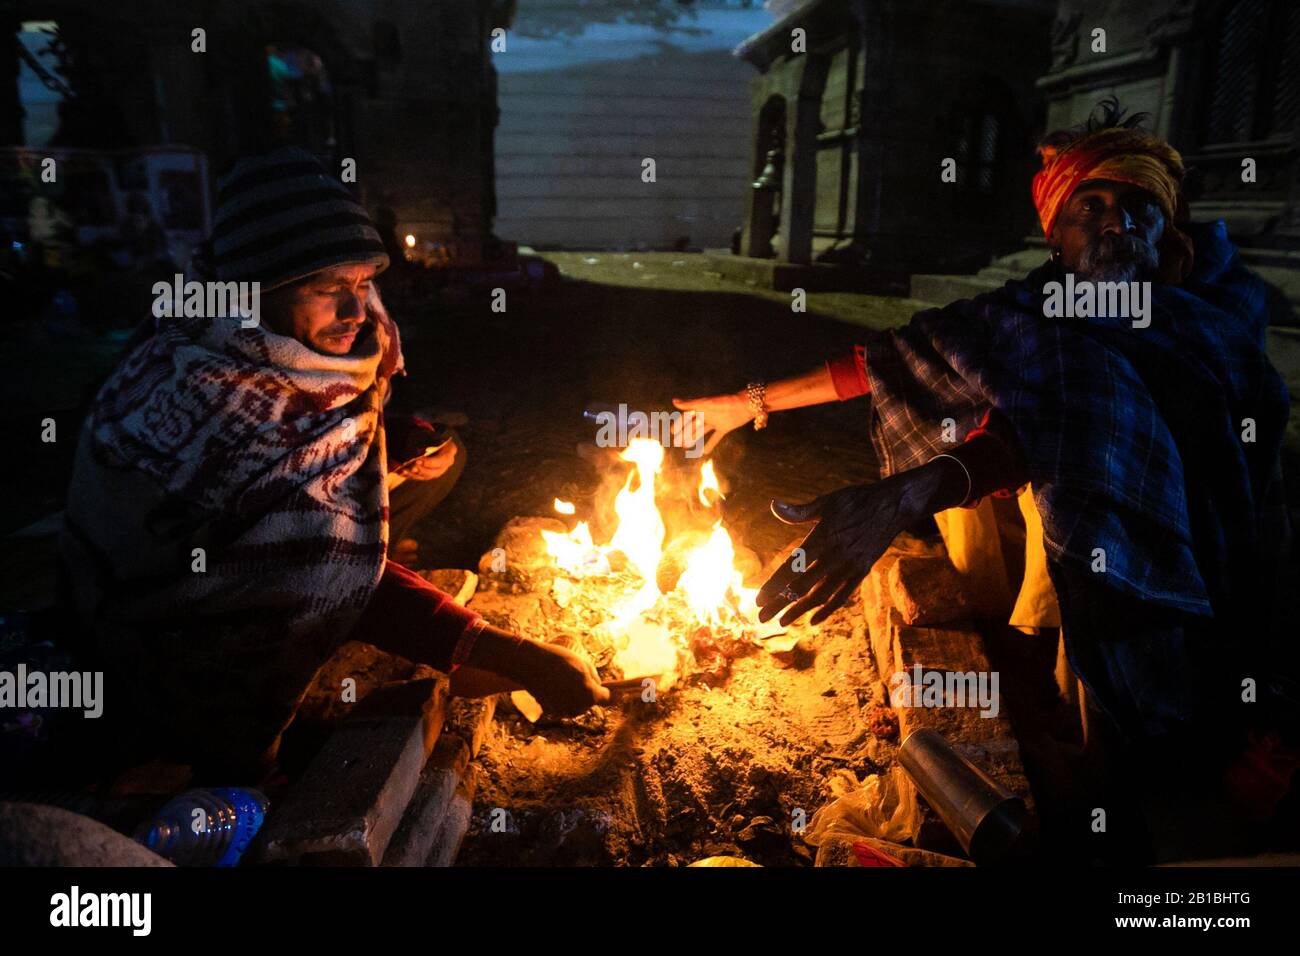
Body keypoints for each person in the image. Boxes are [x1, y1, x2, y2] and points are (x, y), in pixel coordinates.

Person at [673, 101, 1294, 780]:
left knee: (1082, 501)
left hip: (1187, 556)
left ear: (1166, 232)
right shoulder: (1029, 313)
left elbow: (1087, 434)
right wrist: (748, 402)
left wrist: (906, 493)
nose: (1118, 222)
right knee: (1003, 435)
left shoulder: (1215, 322)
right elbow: (898, 358)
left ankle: (1101, 737)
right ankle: (1038, 659)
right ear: (1054, 237)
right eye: (1092, 205)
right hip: (1066, 534)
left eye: (1140, 207)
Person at [59, 147, 608, 780]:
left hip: (259, 554)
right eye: (328, 291)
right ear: (252, 291)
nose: (356, 313)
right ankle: (234, 751)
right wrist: (514, 655)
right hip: (167, 636)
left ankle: (357, 567)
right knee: (309, 605)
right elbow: (296, 559)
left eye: (362, 284)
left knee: (443, 463)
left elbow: (316, 455)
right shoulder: (201, 392)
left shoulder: (281, 342)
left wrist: (398, 439)